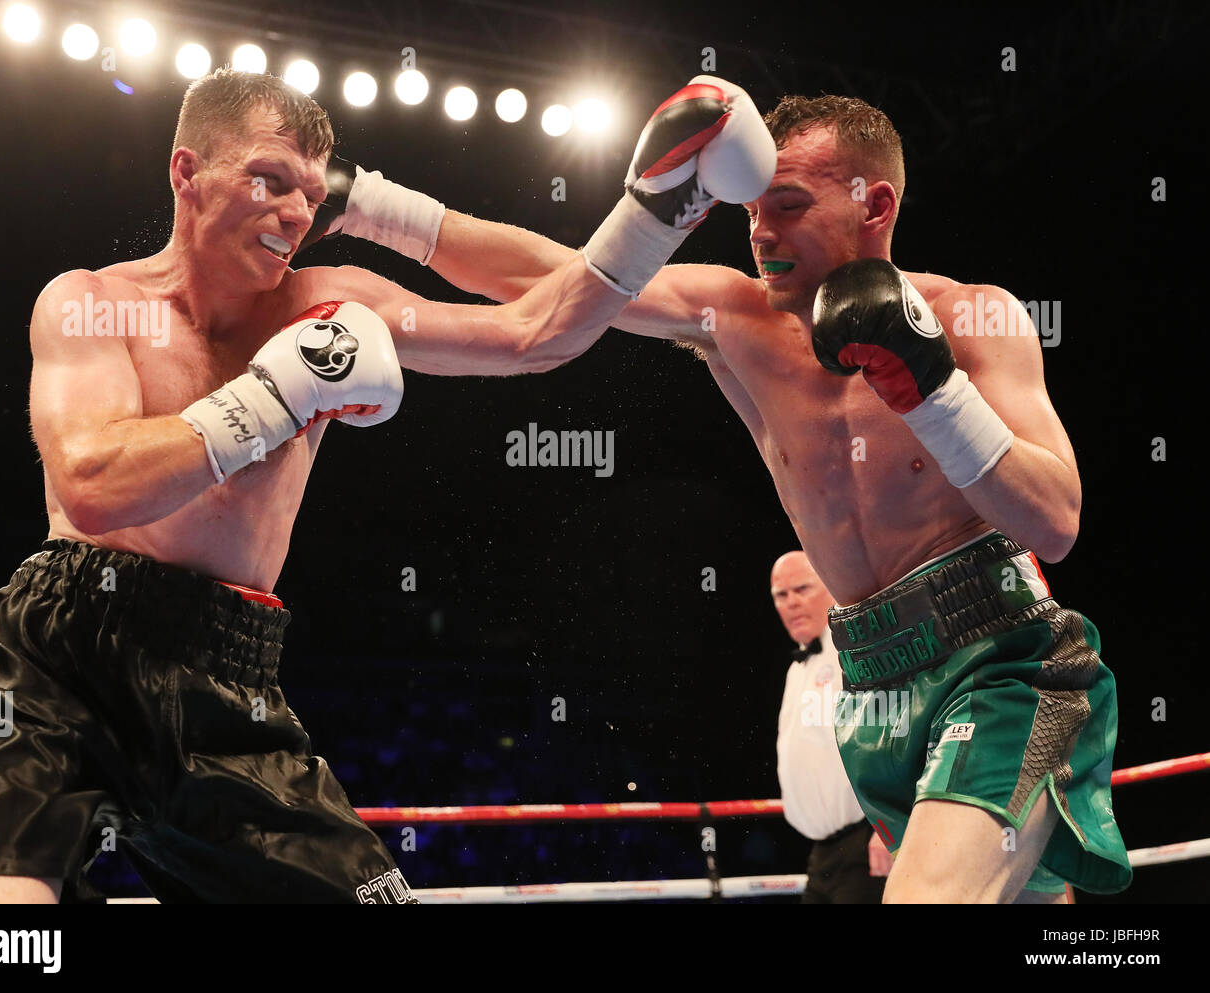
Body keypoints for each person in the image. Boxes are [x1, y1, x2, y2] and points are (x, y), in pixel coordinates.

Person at [0, 69, 774, 903]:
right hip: (65, 641)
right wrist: (270, 398)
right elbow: (91, 485)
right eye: (269, 180)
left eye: (309, 192)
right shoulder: (92, 303)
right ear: (186, 172)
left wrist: (661, 208)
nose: (297, 213)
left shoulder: (331, 301)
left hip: (229, 672)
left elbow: (534, 332)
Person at [343, 93, 1132, 903]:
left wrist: (932, 388)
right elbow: (550, 275)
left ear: (876, 203)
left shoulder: (973, 315)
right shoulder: (734, 316)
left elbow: (1057, 519)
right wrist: (369, 206)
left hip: (1003, 665)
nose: (761, 231)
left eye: (788, 206)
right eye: (751, 209)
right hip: (872, 684)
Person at [771, 551, 891, 903]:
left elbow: (897, 735)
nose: (792, 602)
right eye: (781, 594)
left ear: (829, 584)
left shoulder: (855, 648)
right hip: (822, 853)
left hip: (866, 844)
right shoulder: (798, 668)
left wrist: (886, 825)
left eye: (802, 589)